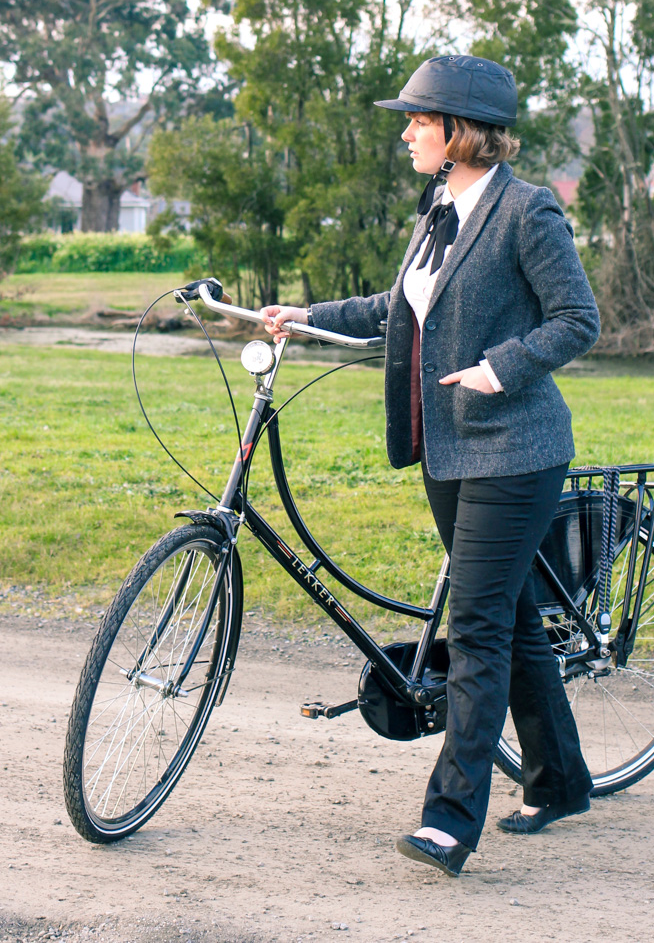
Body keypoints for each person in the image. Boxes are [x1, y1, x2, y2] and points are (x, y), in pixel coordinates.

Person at [260, 54, 599, 877]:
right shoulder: (439, 210)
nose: (407, 131)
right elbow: (396, 307)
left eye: (418, 119)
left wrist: (501, 366)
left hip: (515, 449)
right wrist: (304, 317)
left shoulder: (527, 213)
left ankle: (450, 820)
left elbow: (577, 320)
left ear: (458, 131)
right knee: (512, 618)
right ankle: (558, 781)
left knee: (477, 626)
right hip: (445, 449)